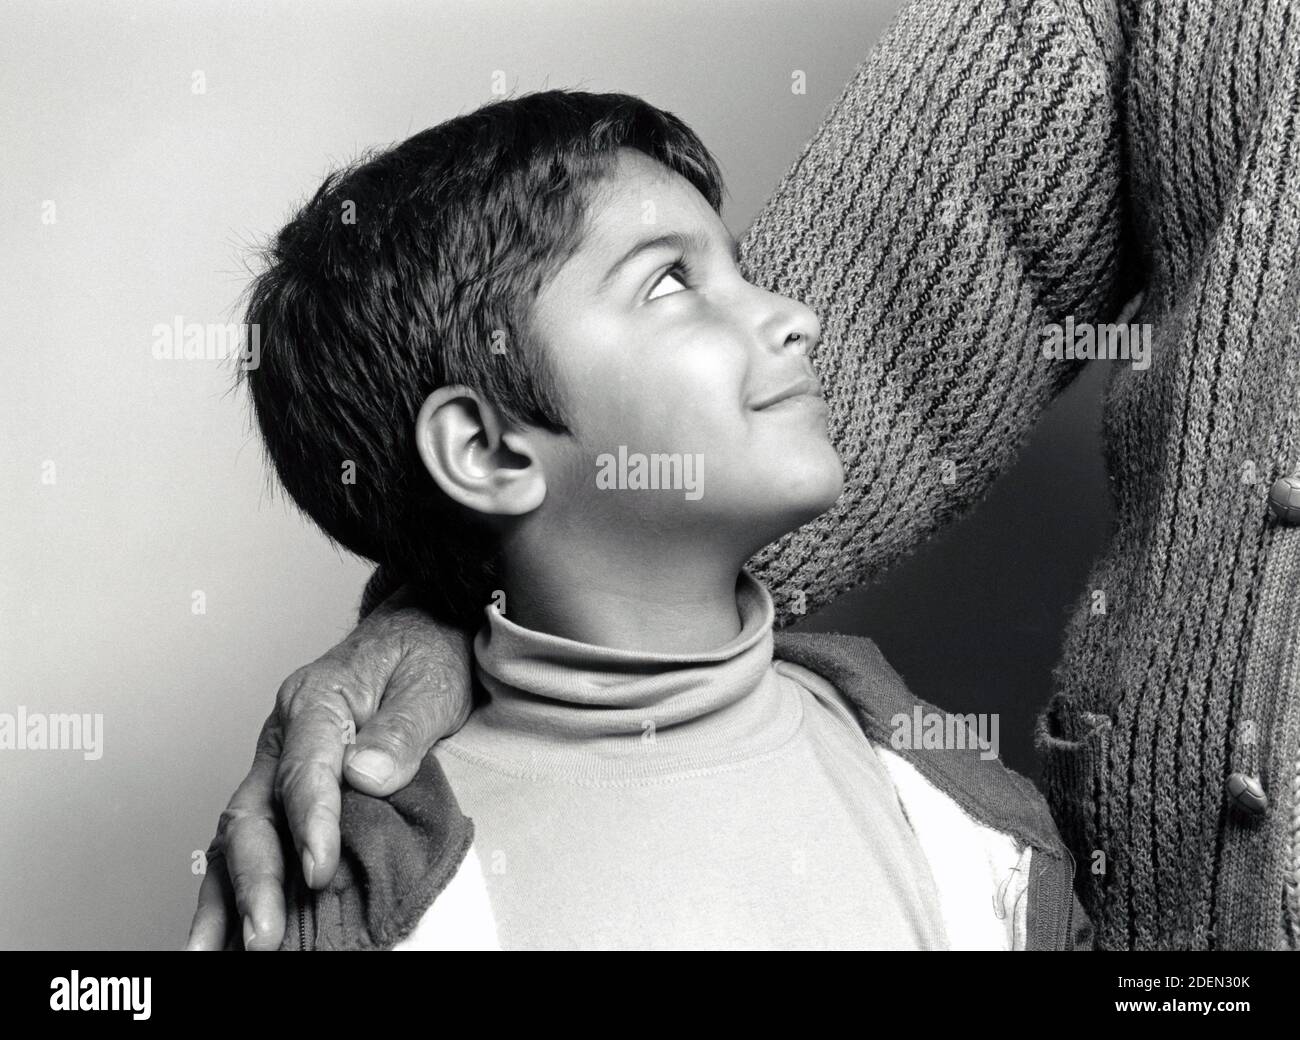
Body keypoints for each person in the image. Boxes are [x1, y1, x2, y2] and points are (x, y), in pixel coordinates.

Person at [190, 0, 1300, 952]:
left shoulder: (963, 822)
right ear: (482, 451)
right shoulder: (373, 884)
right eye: (674, 281)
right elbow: (912, 276)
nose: (791, 315)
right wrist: (449, 605)